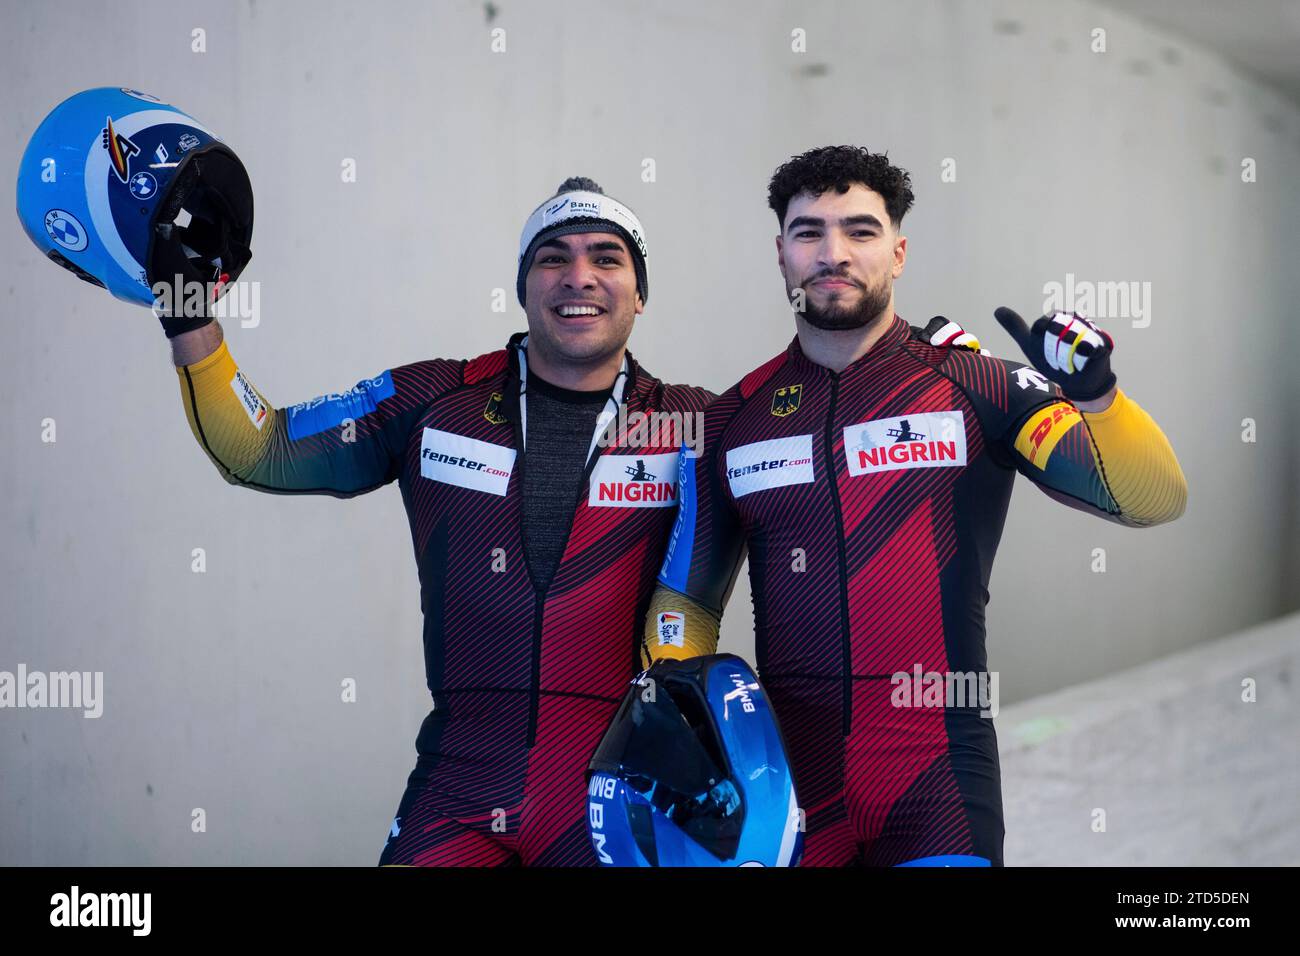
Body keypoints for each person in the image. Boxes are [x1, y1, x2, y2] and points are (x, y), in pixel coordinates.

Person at [641, 145, 1188, 866]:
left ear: (898, 253)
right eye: (810, 233)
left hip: (937, 784)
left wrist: (1097, 399)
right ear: (781, 254)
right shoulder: (732, 419)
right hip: (783, 794)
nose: (833, 253)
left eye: (860, 232)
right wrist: (688, 735)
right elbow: (688, 602)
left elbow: (1151, 500)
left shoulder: (981, 386)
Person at [171, 177, 719, 865]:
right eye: (552, 257)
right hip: (461, 781)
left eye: (607, 258)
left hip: (622, 786)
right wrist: (186, 307)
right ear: (523, 286)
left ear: (640, 293)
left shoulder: (697, 424)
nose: (579, 275)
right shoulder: (432, 400)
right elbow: (260, 449)